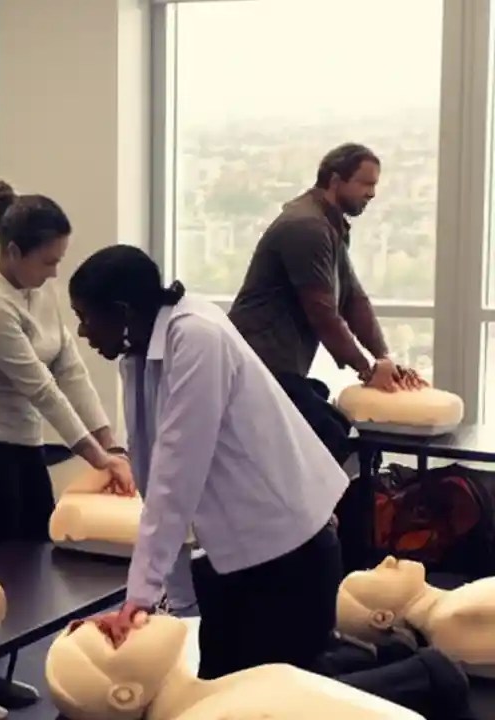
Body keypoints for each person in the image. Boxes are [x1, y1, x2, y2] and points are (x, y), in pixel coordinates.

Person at [69, 245, 348, 681]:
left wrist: (138, 597)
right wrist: (160, 598)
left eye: (86, 317)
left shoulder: (196, 336)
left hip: (287, 551)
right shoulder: (141, 353)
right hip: (238, 552)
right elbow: (154, 474)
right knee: (222, 688)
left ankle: (426, 675)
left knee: (274, 699)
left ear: (122, 311)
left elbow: (175, 474)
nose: (83, 332)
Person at [0, 181, 133, 718]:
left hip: (20, 452)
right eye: (48, 261)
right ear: (14, 252)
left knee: (28, 576)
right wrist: (97, 457)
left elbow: (68, 367)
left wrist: (109, 437)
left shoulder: (37, 292)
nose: (54, 272)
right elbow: (38, 387)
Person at [229, 143, 426, 459]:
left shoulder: (327, 224)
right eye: (365, 183)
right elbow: (322, 312)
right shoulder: (307, 226)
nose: (372, 193)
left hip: (278, 368)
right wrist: (366, 369)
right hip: (259, 368)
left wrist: (385, 359)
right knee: (333, 441)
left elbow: (353, 299)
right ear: (335, 181)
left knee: (343, 436)